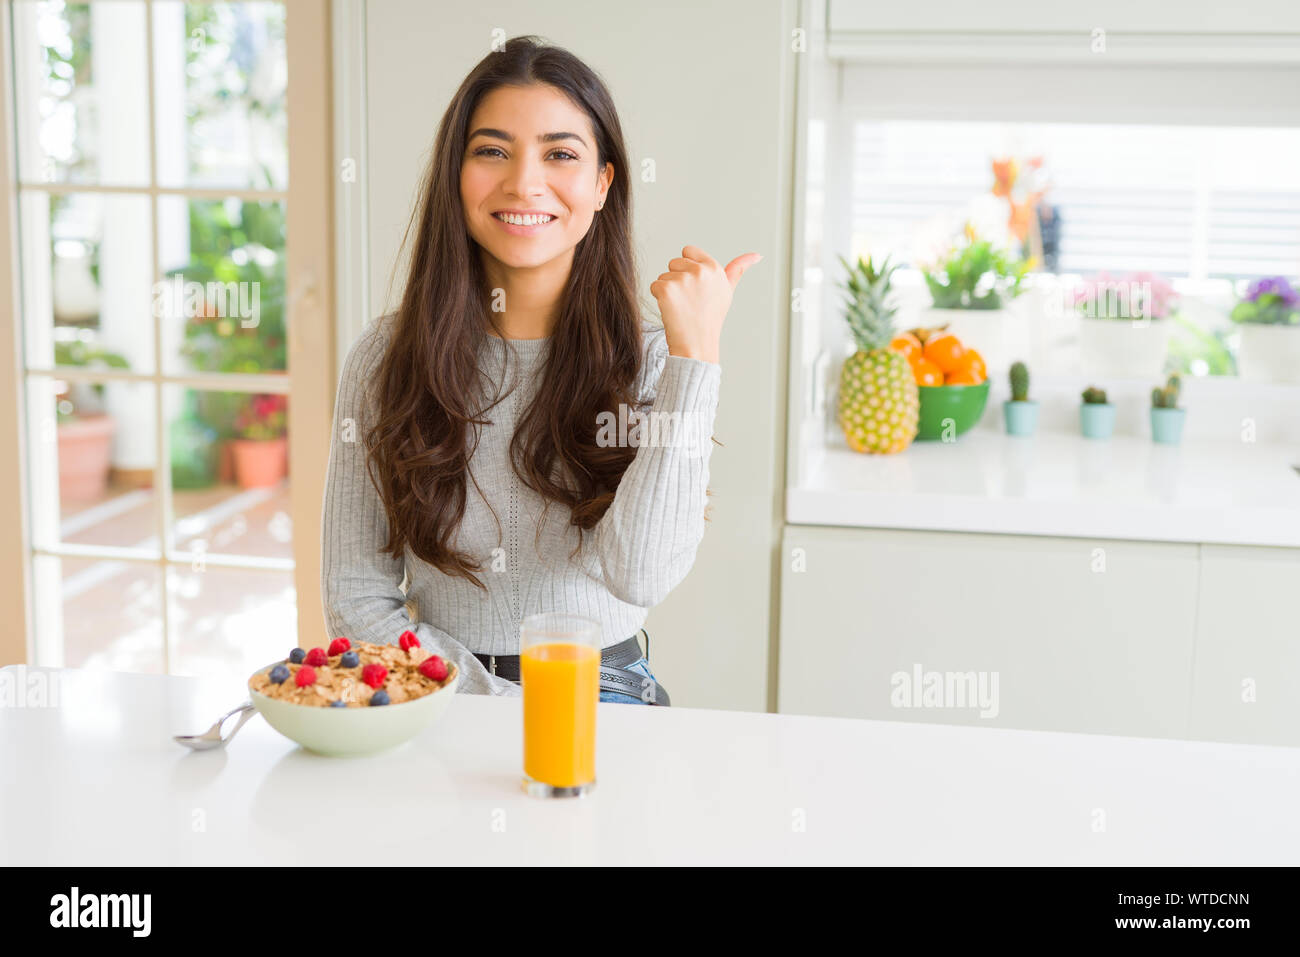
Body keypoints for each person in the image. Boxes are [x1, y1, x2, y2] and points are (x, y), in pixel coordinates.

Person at [320, 35, 760, 705]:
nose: (524, 182)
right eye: (492, 151)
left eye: (560, 154)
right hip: (435, 694)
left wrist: (695, 357)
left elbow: (640, 576)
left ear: (603, 183)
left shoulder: (661, 361)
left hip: (602, 694)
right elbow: (355, 597)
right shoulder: (384, 357)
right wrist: (493, 708)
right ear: (455, 176)